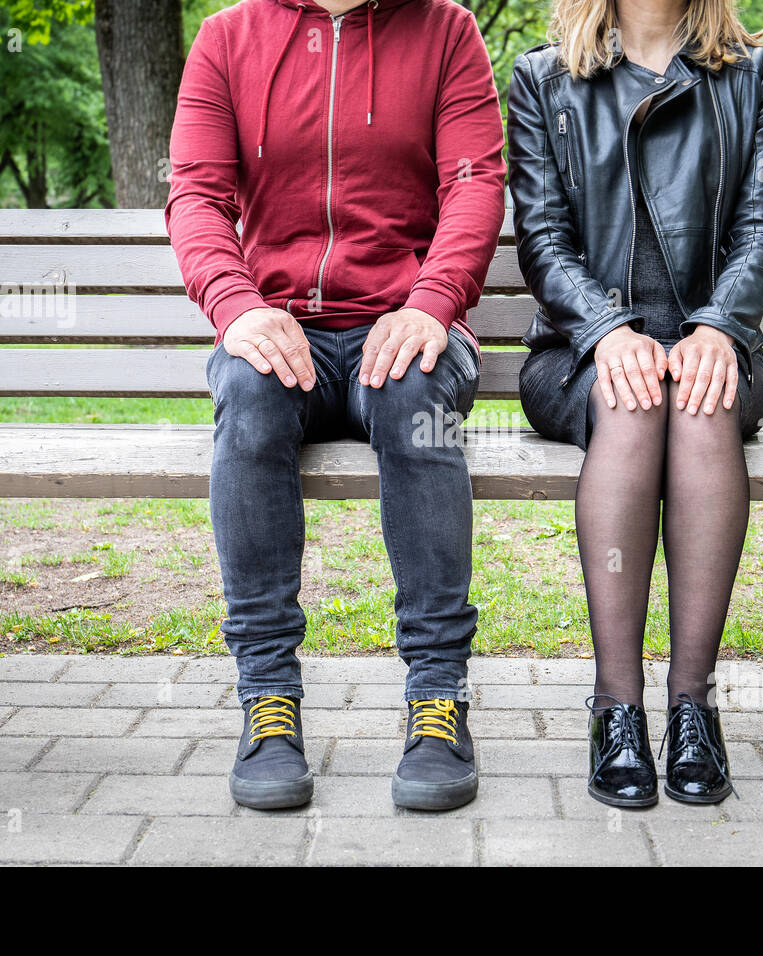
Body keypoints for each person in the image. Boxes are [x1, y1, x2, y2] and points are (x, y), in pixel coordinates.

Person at [165, 0, 505, 811]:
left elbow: (473, 184)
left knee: (415, 395)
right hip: (281, 327)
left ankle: (437, 697)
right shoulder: (226, 37)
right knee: (246, 397)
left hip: (408, 320)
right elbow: (197, 196)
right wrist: (238, 307)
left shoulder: (447, 30)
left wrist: (430, 303)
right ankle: (268, 703)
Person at [506, 0, 763, 807]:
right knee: (634, 401)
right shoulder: (543, 77)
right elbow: (542, 235)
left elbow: (762, 224)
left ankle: (692, 706)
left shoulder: (753, 74)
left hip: (714, 352)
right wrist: (605, 330)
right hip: (579, 358)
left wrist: (718, 329)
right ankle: (618, 709)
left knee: (695, 402)